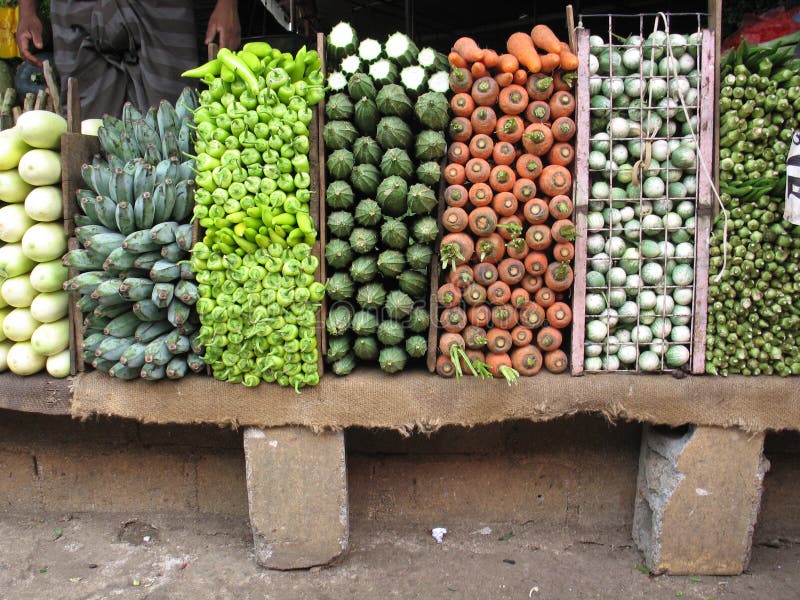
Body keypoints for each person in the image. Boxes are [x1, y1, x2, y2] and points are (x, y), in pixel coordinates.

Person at [15, 0, 241, 118]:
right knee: (86, 127)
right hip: (77, 9)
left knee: (174, 119)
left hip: (161, 10)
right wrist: (27, 10)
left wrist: (227, 4)